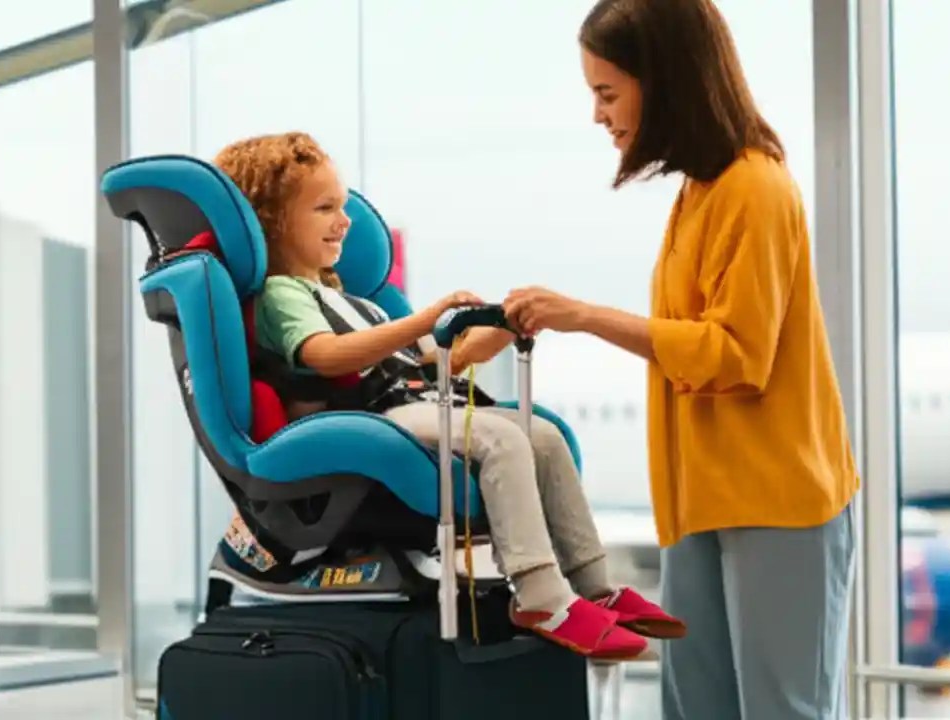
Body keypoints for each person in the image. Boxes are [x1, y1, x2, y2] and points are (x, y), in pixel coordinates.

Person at [503, 0, 860, 717]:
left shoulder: (755, 188)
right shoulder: (700, 192)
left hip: (777, 501)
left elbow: (738, 355)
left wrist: (585, 317)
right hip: (700, 501)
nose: (599, 115)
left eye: (607, 93)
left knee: (783, 709)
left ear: (663, 80)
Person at [209, 131, 686, 660]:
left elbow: (440, 361)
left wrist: (503, 325)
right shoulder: (282, 295)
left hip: (411, 401)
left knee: (541, 435)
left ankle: (594, 586)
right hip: (375, 414)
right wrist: (423, 319)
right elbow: (325, 356)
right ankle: (539, 595)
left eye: (342, 207)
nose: (343, 221)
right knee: (500, 440)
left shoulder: (347, 298)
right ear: (273, 222)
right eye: (324, 209)